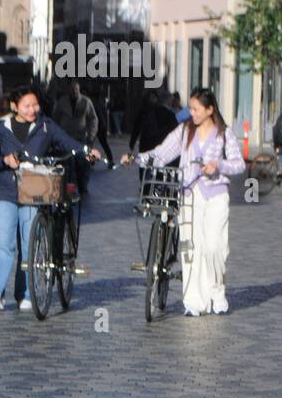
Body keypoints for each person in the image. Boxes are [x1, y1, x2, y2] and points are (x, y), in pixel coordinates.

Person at [122, 88, 246, 316]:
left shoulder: (224, 134)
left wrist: (219, 165)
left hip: (217, 194)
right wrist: (137, 158)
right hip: (189, 194)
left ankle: (217, 292)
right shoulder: (184, 131)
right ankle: (193, 301)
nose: (192, 112)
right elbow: (161, 153)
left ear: (210, 110)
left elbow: (239, 164)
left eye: (196, 109)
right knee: (190, 247)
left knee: (215, 247)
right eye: (190, 107)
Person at [0, 87, 101, 311]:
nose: (33, 110)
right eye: (27, 106)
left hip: (34, 191)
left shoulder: (46, 126)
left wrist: (86, 150)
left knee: (30, 245)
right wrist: (5, 160)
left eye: (35, 105)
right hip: (4, 192)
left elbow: (67, 142)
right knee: (3, 245)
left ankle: (26, 293)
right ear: (15, 106)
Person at [52, 81, 99, 195]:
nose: (74, 92)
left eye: (76, 89)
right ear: (68, 90)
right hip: (66, 138)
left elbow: (93, 119)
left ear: (79, 89)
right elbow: (55, 118)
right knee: (68, 165)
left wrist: (91, 134)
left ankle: (83, 187)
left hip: (82, 138)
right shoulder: (62, 102)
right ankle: (71, 189)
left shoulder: (86, 102)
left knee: (84, 164)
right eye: (72, 89)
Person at [129, 90, 180, 156]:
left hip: (146, 143)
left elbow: (137, 127)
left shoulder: (145, 111)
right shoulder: (169, 114)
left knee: (145, 162)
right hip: (160, 144)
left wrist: (132, 142)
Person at [93, 88, 116, 168]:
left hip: (98, 126)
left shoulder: (96, 103)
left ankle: (91, 161)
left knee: (91, 144)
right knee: (104, 144)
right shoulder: (102, 103)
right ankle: (111, 160)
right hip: (101, 126)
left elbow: (99, 115)